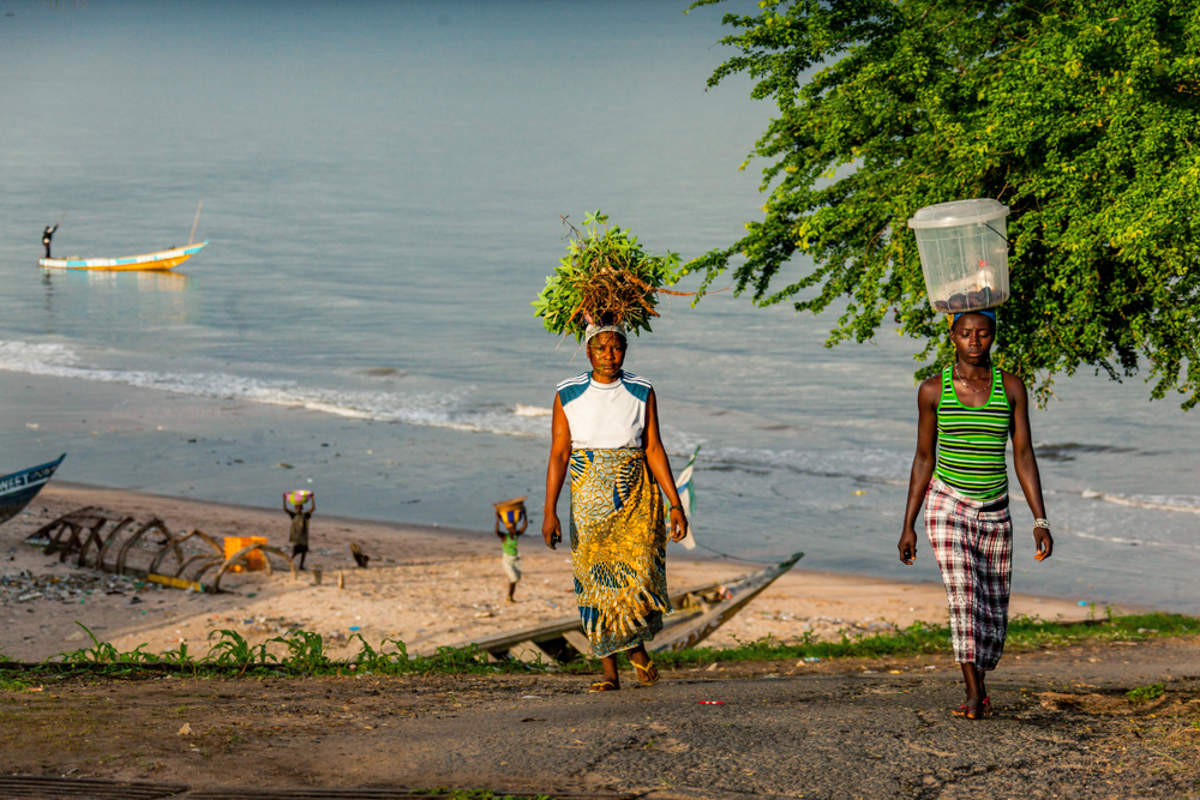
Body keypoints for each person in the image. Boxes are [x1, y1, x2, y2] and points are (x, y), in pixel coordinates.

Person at [898, 309, 1053, 720]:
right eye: (965, 333)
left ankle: (980, 683)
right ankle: (973, 693)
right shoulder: (933, 390)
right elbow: (923, 457)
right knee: (965, 598)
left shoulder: (1012, 388)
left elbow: (1022, 455)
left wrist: (1040, 519)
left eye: (982, 334)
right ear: (952, 336)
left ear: (993, 337)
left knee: (992, 608)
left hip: (995, 512)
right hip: (947, 503)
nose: (974, 341)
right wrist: (908, 524)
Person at [543, 323, 688, 692]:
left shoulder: (641, 390)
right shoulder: (568, 392)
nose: (609, 355)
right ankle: (612, 671)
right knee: (595, 583)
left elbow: (653, 448)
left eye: (616, 348)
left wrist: (675, 503)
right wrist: (550, 510)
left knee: (637, 578)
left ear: (625, 350)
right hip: (588, 497)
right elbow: (560, 453)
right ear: (588, 351)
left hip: (636, 495)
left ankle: (636, 650)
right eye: (602, 348)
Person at [494, 503, 527, 602]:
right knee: (513, 579)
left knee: (516, 578)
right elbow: (497, 530)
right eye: (511, 528)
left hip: (516, 559)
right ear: (508, 528)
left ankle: (510, 597)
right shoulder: (504, 537)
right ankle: (510, 597)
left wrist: (525, 514)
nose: (513, 529)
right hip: (507, 559)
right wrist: (497, 518)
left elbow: (524, 526)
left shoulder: (516, 535)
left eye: (514, 527)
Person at [283, 491, 315, 570]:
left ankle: (301, 566)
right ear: (295, 508)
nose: (298, 509)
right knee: (295, 551)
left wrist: (312, 499)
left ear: (302, 508)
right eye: (297, 508)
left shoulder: (305, 515)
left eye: (300, 508)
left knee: (304, 552)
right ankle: (290, 562)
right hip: (296, 536)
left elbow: (313, 508)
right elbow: (285, 509)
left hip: (303, 537)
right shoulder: (293, 515)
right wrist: (284, 499)